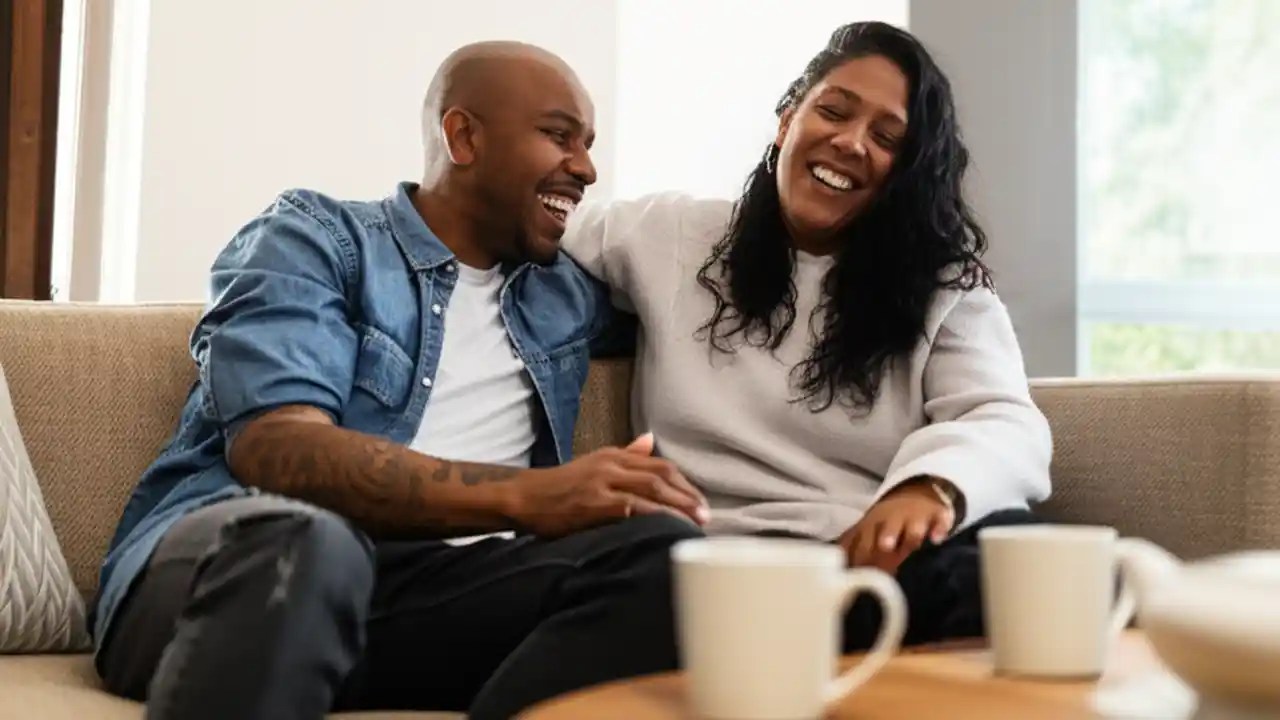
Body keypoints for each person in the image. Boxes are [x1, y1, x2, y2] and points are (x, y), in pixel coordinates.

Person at [91, 41, 709, 720]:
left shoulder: (565, 294)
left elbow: (724, 295)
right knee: (312, 544)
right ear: (463, 135)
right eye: (559, 136)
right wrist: (532, 496)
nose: (587, 168)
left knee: (665, 557)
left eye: (588, 144)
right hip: (241, 575)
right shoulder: (318, 239)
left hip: (426, 601)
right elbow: (277, 450)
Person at [562, 21, 1051, 649]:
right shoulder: (673, 236)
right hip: (704, 572)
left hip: (862, 576)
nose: (850, 143)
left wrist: (928, 489)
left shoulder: (943, 287)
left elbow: (1006, 418)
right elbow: (542, 224)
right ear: (788, 119)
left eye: (886, 137)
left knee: (1012, 552)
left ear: (908, 171)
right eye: (833, 111)